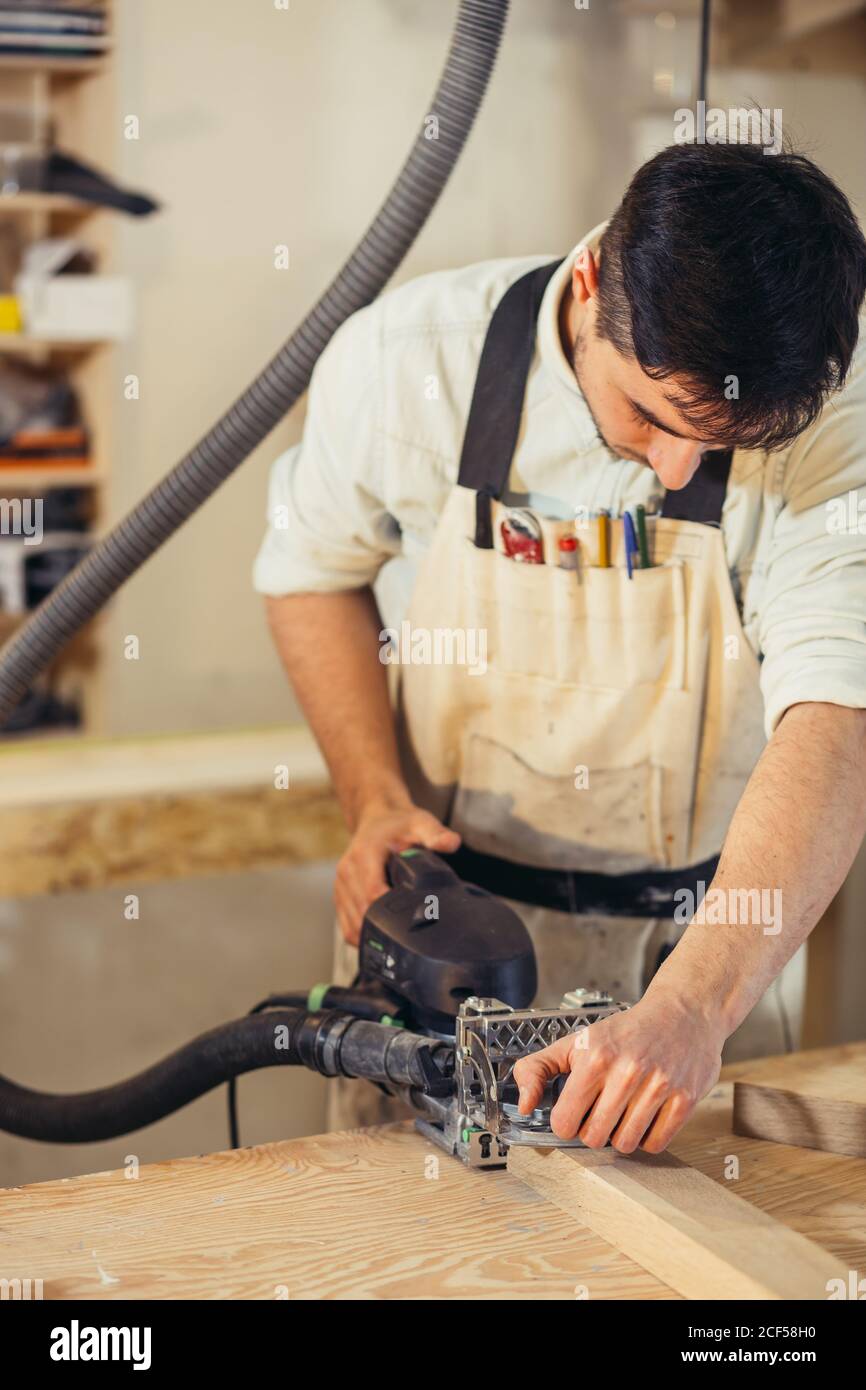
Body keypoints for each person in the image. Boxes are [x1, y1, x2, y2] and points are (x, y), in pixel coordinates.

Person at [254, 140, 866, 1150]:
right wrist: (372, 800)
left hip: (707, 952)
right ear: (588, 282)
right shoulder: (407, 359)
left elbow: (836, 711)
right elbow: (309, 576)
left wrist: (696, 1006)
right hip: (444, 944)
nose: (678, 467)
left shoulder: (834, 421)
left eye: (723, 446)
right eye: (648, 416)